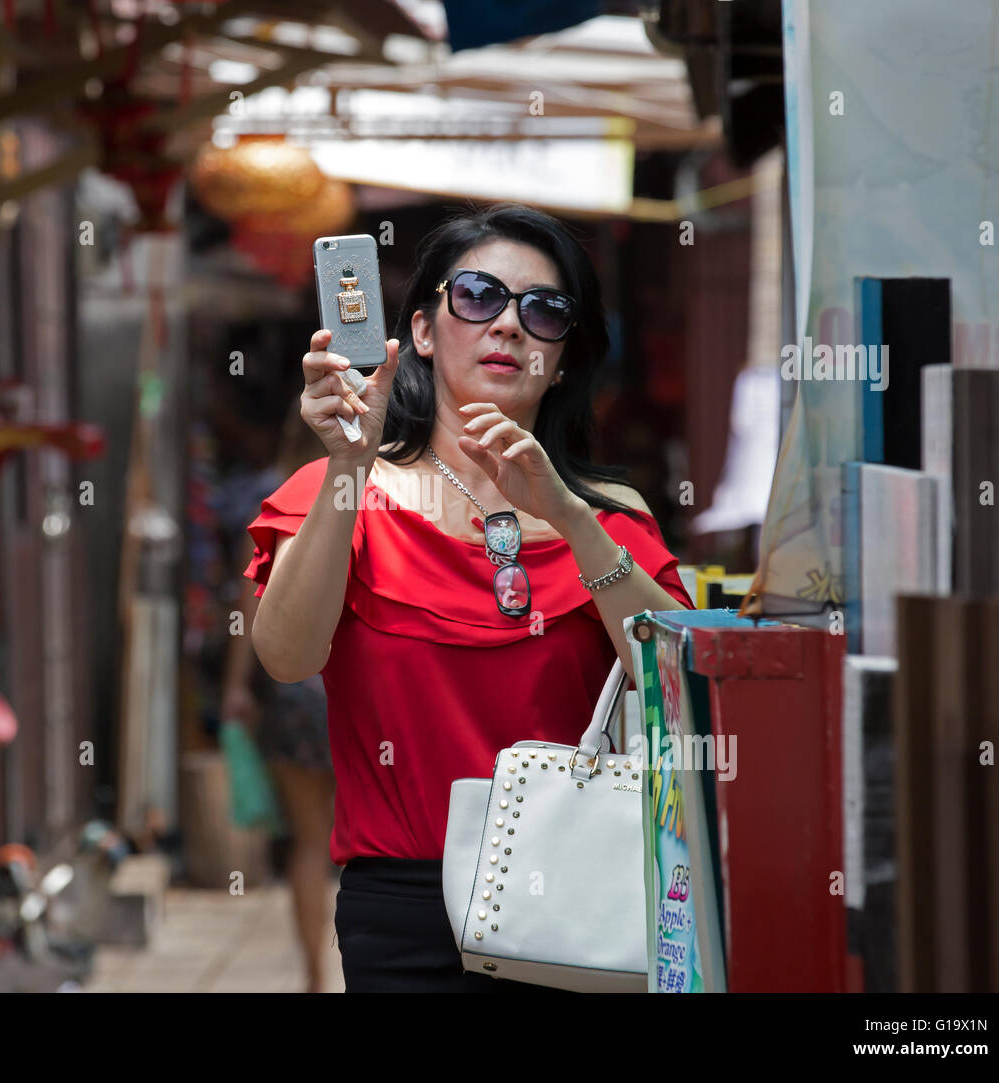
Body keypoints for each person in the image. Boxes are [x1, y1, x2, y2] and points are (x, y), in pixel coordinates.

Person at [242, 202, 694, 993]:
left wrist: (570, 517)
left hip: (578, 896)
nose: (510, 325)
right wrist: (349, 464)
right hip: (403, 912)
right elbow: (286, 656)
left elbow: (677, 686)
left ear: (561, 357)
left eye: (544, 311)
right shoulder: (340, 493)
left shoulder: (606, 515)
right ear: (422, 330)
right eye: (479, 296)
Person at [220, 399, 336, 994]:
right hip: (350, 694)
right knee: (365, 844)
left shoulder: (287, 499)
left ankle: (317, 978)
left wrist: (238, 687)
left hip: (294, 694)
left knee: (310, 843)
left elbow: (251, 601)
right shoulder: (377, 490)